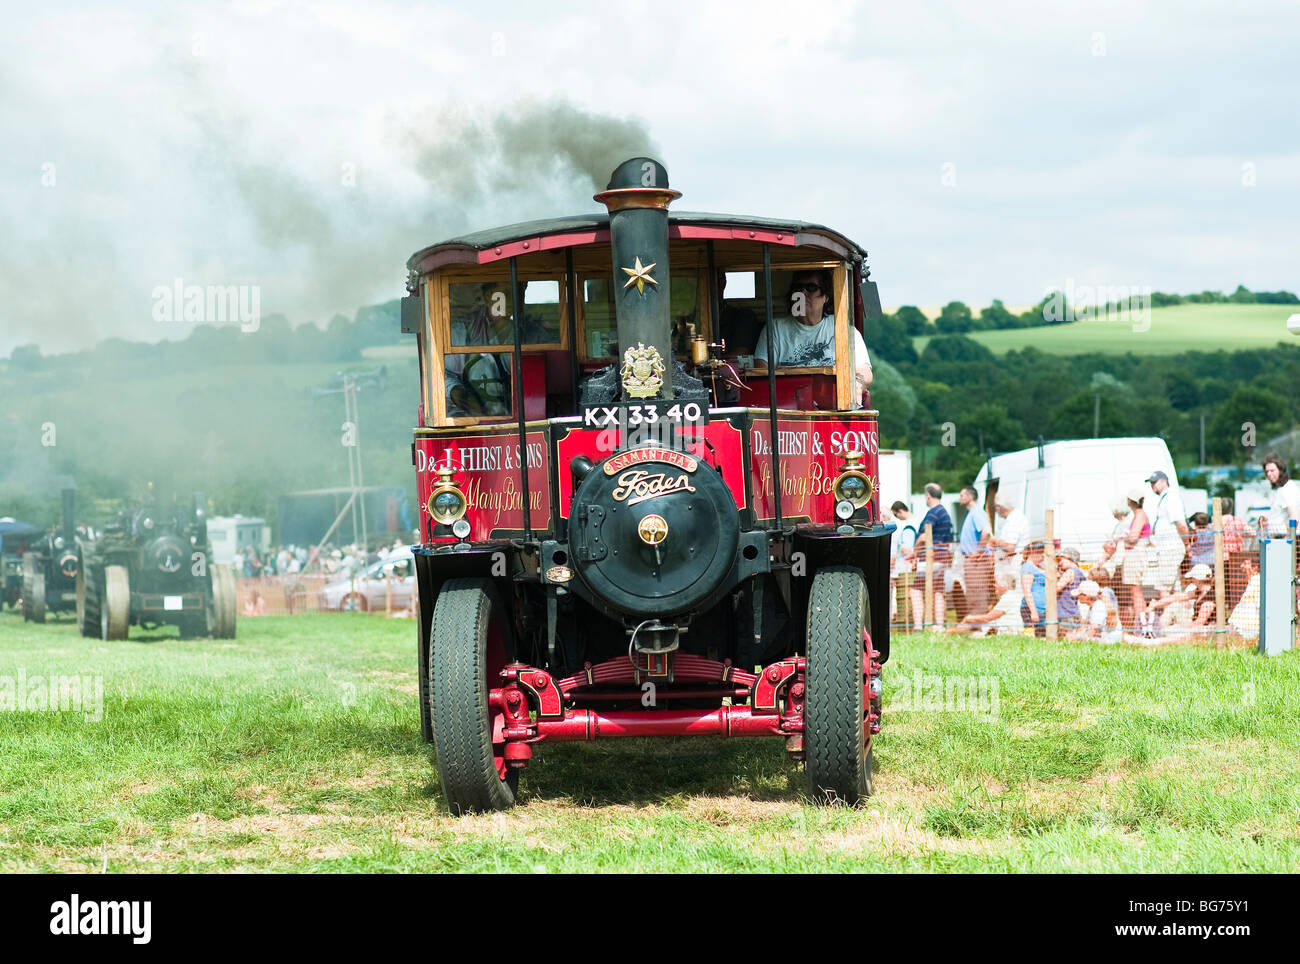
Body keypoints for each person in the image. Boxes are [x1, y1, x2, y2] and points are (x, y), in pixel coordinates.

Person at [752, 269, 873, 399]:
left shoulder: (842, 328)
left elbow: (865, 370)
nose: (802, 292)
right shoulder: (775, 328)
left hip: (832, 405)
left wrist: (857, 383)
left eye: (811, 287)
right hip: (787, 406)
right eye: (797, 287)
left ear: (825, 297)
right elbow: (761, 372)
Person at [907, 483, 954, 630]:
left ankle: (918, 626)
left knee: (915, 590)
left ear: (928, 495)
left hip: (930, 558)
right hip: (942, 557)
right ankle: (939, 625)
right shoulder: (945, 513)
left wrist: (914, 552)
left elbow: (923, 536)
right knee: (938, 590)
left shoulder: (933, 512)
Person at [1145, 470, 1189, 593]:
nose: (1153, 486)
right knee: (1174, 587)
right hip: (1167, 548)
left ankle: (1166, 611)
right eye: (1151, 483)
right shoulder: (1166, 498)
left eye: (1155, 482)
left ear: (1164, 481)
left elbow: (1181, 524)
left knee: (1163, 587)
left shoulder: (1171, 497)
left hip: (1170, 548)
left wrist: (1186, 543)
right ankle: (1176, 612)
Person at [948, 572, 1023, 637]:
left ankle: (947, 632)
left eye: (996, 583)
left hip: (1006, 631)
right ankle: (948, 632)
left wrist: (969, 618)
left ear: (1005, 585)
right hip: (1000, 628)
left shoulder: (1008, 598)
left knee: (971, 628)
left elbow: (987, 618)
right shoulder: (1012, 595)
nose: (994, 586)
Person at [957, 484, 993, 617]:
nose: (960, 498)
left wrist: (979, 551)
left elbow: (986, 533)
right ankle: (975, 620)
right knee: (972, 591)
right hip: (972, 559)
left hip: (977, 560)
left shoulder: (977, 512)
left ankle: (979, 621)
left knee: (978, 591)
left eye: (962, 495)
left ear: (970, 497)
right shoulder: (972, 513)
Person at [1120, 485, 1152, 628]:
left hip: (1136, 554)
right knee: (1135, 590)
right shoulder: (1139, 515)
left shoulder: (1140, 516)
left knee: (1136, 591)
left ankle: (1141, 623)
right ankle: (1140, 622)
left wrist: (1121, 537)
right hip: (1136, 554)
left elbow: (1133, 538)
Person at [989, 491, 1030, 588]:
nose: (995, 510)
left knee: (1010, 595)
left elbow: (1010, 547)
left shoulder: (1014, 521)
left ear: (1000, 507)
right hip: (1011, 564)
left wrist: (994, 540)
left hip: (1012, 566)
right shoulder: (1015, 519)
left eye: (995, 507)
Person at [1068, 576, 1122, 644]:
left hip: (1109, 642)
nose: (1077, 597)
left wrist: (1076, 638)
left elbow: (1093, 631)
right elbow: (1086, 626)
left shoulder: (1098, 606)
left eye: (1079, 594)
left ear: (1087, 596)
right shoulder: (1093, 606)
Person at [889, 501, 918, 626]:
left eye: (896, 515)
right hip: (908, 563)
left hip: (908, 564)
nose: (897, 518)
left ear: (900, 511)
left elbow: (907, 548)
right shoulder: (915, 522)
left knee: (908, 595)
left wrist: (907, 553)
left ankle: (908, 621)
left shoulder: (909, 525)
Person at [1259, 452, 1300, 536]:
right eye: (1267, 471)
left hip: (1284, 541)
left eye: (1272, 470)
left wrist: (1287, 541)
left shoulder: (1288, 488)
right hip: (1276, 539)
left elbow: (1294, 516)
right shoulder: (1278, 489)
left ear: (1280, 470)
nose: (1269, 474)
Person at [1054, 547, 1087, 633]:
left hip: (1065, 613)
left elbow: (1056, 588)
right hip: (1074, 611)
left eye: (1061, 560)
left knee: (1065, 639)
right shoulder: (1080, 572)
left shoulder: (1070, 572)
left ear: (1070, 559)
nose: (1059, 564)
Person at [1019, 542, 1048, 637]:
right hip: (1033, 609)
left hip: (1043, 609)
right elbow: (1027, 590)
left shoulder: (1040, 567)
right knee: (1034, 637)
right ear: (1033, 552)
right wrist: (1033, 611)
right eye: (1041, 552)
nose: (1043, 556)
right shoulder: (1027, 567)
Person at [1228, 556, 1260, 638]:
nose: (1241, 566)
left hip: (1250, 631)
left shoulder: (1257, 582)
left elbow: (1260, 606)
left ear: (1255, 567)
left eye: (1245, 564)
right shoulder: (1252, 582)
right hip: (1242, 630)